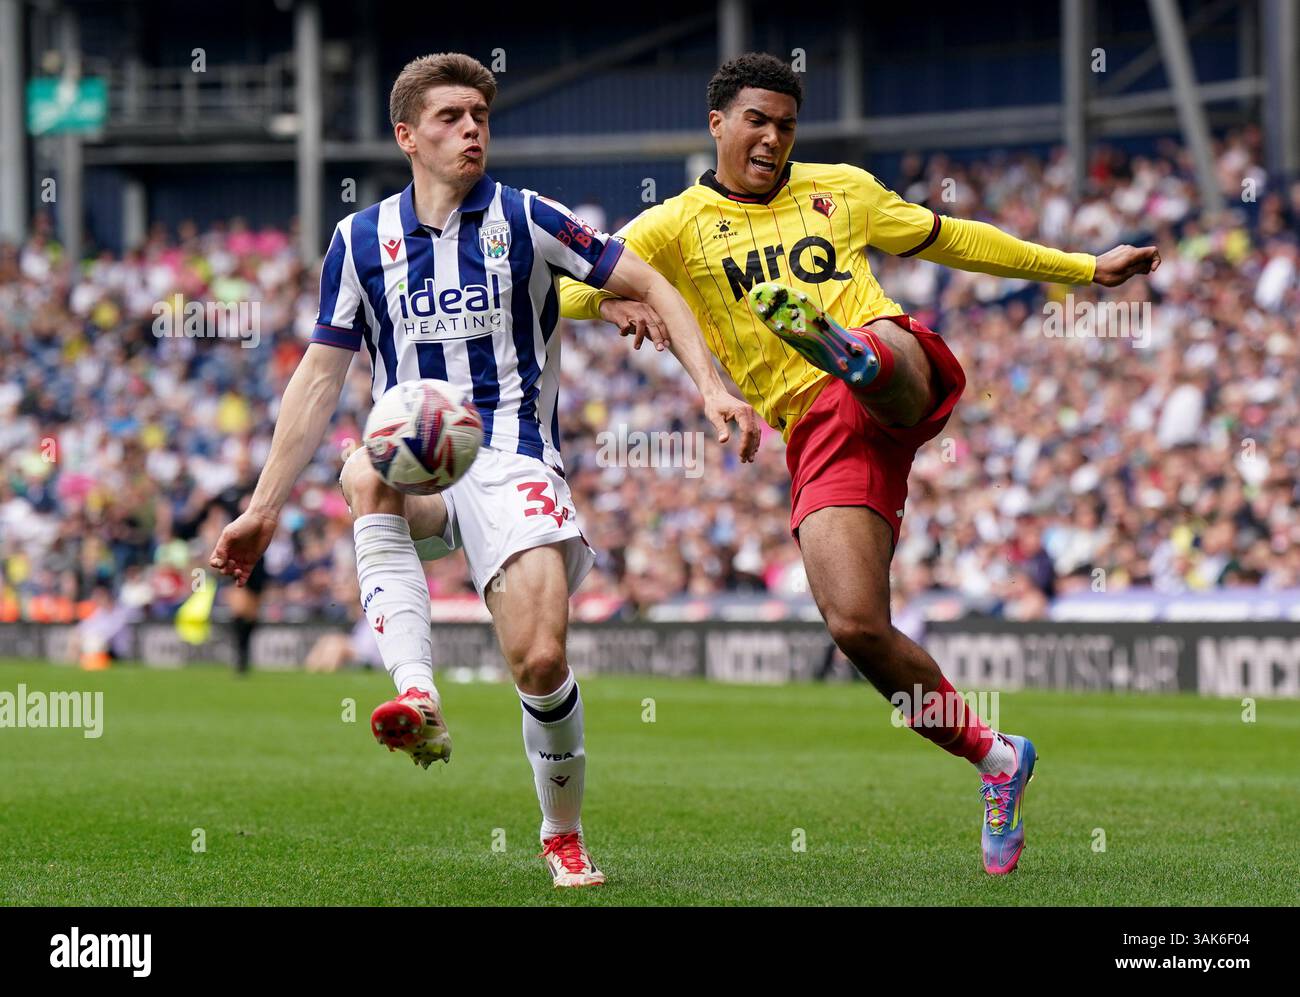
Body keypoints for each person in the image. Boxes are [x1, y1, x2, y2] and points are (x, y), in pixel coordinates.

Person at [559, 52, 1159, 875]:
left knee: (877, 348)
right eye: (758, 121)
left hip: (895, 364)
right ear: (718, 125)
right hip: (815, 429)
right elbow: (562, 284)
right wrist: (617, 296)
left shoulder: (843, 189)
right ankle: (996, 756)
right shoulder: (671, 227)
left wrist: (1087, 269)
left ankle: (850, 350)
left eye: (786, 123)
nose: (773, 136)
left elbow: (961, 242)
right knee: (854, 625)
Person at [209, 52, 759, 889]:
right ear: (408, 136)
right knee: (365, 472)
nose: (472, 129)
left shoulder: (528, 216)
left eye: (481, 116)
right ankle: (420, 699)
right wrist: (263, 508)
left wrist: (711, 388)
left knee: (539, 661)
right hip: (416, 456)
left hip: (514, 457)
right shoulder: (360, 240)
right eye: (451, 118)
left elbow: (650, 280)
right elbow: (320, 375)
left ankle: (560, 832)